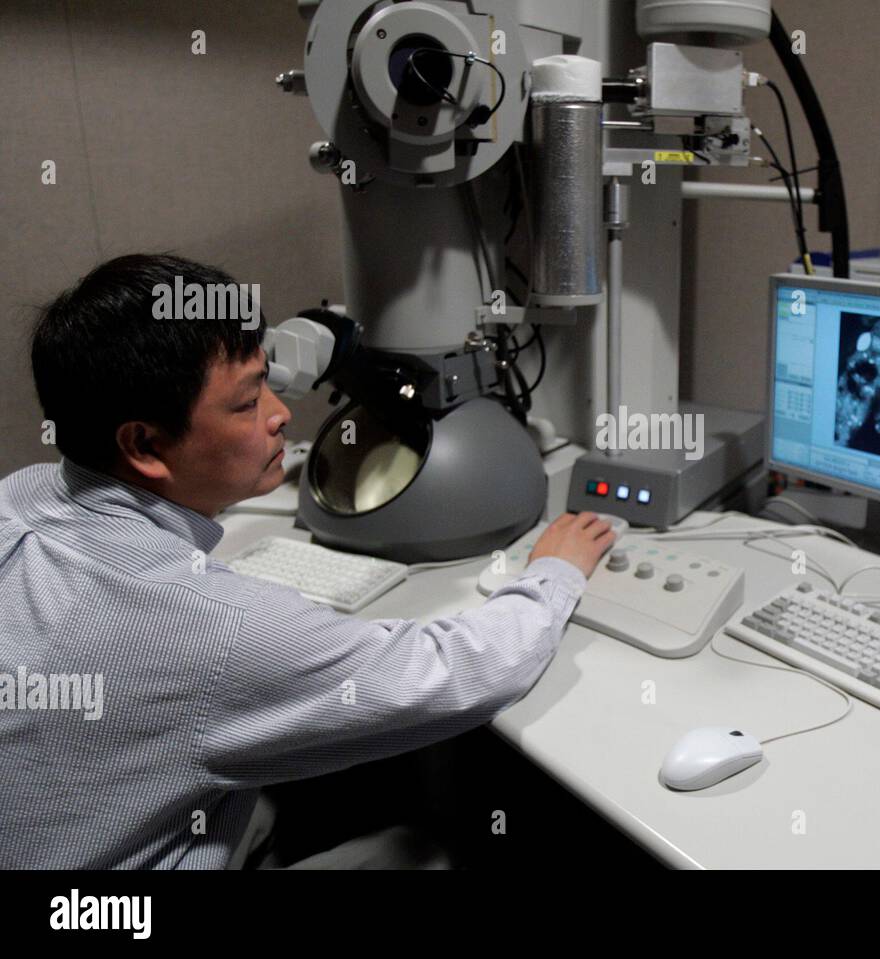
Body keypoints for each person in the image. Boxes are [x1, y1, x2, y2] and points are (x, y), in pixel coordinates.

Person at [0, 253, 614, 868]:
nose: (282, 413)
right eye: (245, 403)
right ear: (143, 444)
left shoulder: (18, 498)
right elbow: (454, 674)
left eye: (267, 380)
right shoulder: (213, 629)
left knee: (268, 811)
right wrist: (553, 573)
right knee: (423, 852)